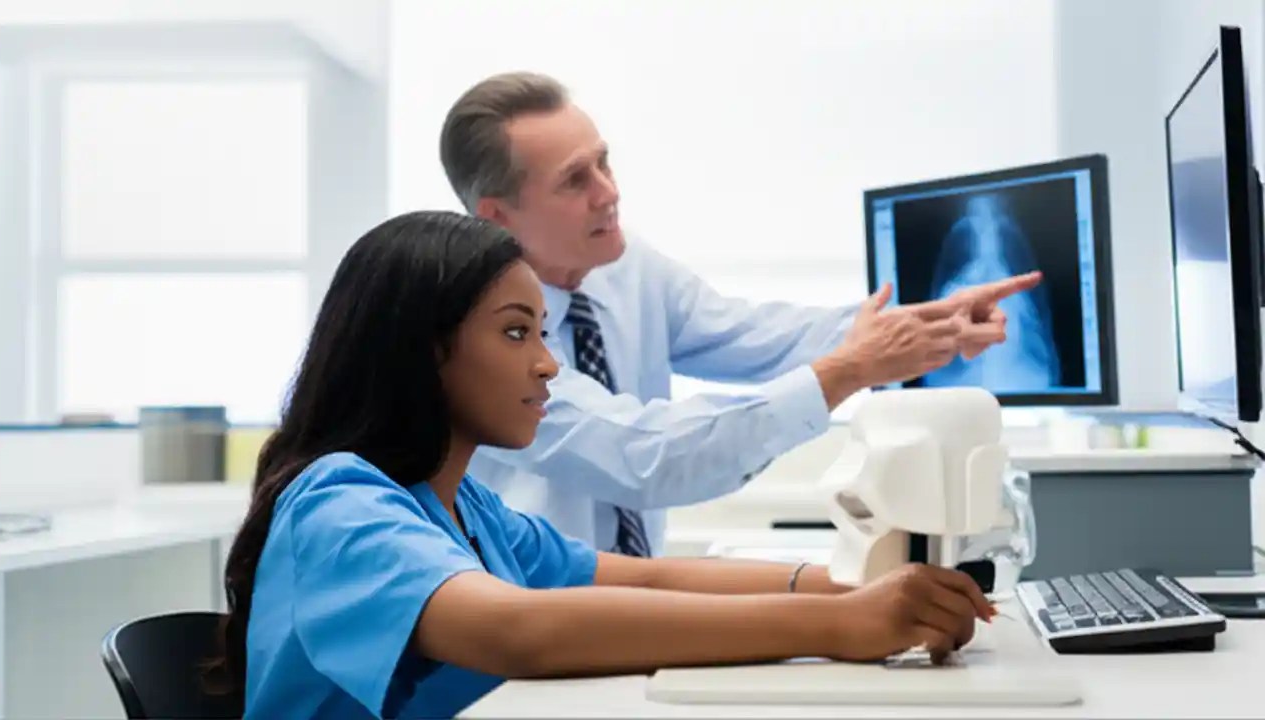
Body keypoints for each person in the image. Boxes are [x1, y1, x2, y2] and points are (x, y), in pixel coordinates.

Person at [207, 210, 995, 720]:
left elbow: (646, 577)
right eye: (518, 334)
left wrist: (853, 585)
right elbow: (519, 631)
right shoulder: (338, 503)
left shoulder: (466, 510)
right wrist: (840, 623)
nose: (550, 366)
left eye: (544, 334)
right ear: (423, 351)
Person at [439, 71, 1042, 555]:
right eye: (575, 180)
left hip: (637, 596)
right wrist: (849, 371)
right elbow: (648, 456)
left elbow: (757, 337)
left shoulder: (628, 270)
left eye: (604, 162)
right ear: (497, 216)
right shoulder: (481, 342)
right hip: (529, 626)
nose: (609, 191)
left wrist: (920, 326)